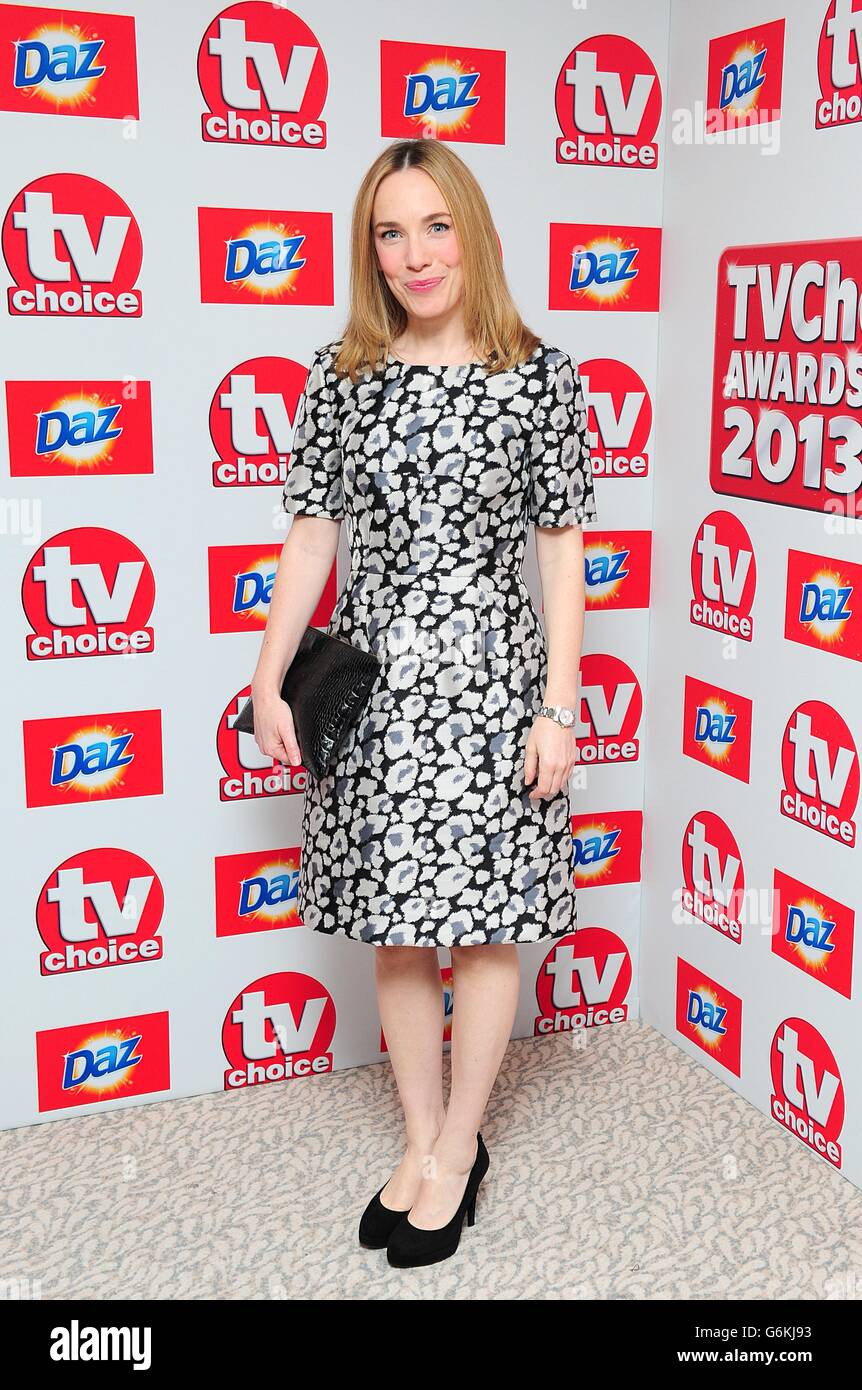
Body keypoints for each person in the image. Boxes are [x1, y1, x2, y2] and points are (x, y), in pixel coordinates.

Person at [250, 138, 597, 1269]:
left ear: (474, 233)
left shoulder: (541, 375)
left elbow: (560, 555)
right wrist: (268, 674)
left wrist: (559, 704)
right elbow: (312, 537)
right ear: (372, 250)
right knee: (398, 928)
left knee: (487, 923)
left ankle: (458, 1145)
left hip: (495, 679)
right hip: (380, 687)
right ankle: (414, 1135)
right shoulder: (342, 375)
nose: (415, 253)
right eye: (390, 232)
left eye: (435, 225)